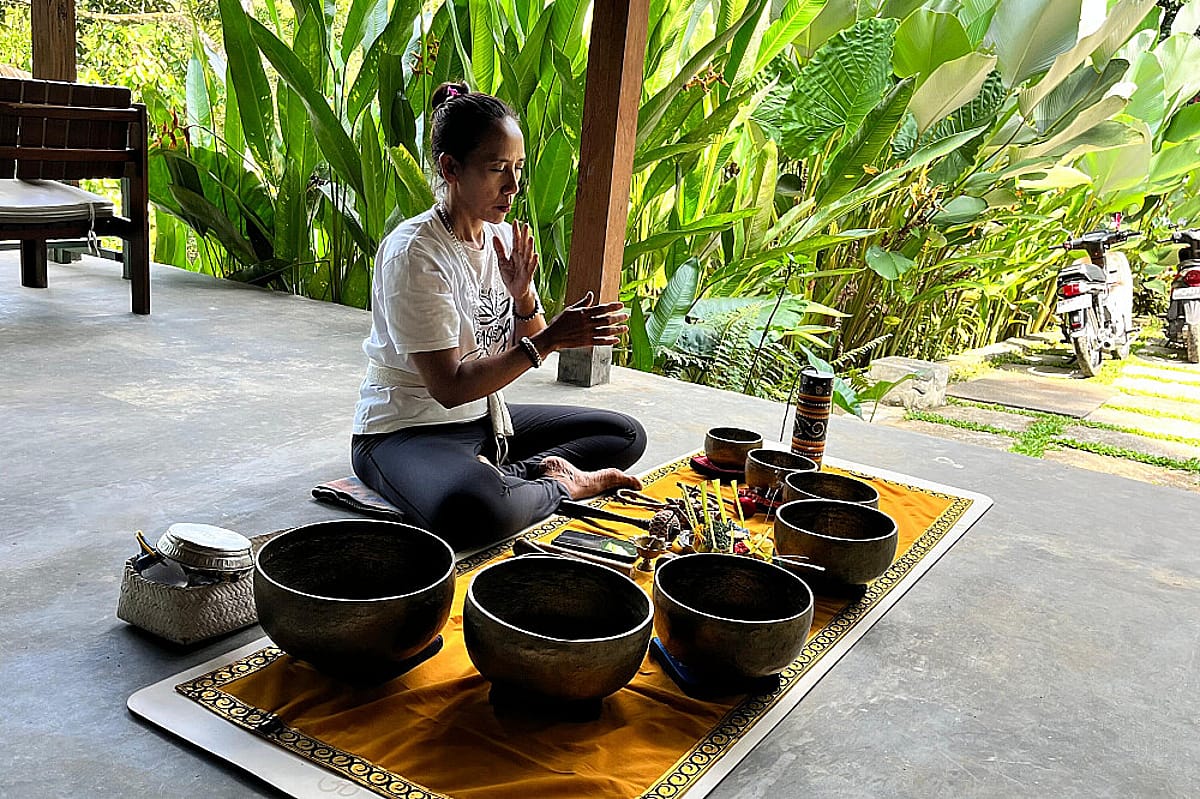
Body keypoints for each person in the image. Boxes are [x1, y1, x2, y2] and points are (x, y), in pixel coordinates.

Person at [351, 82, 647, 549]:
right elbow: (449, 388)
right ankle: (559, 485)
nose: (512, 187)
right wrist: (549, 339)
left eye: (517, 170)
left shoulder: (502, 238)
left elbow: (526, 344)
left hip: (485, 422)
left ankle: (514, 475)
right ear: (451, 168)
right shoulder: (415, 253)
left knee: (622, 434)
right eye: (496, 170)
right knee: (473, 512)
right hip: (405, 431)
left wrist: (523, 294)